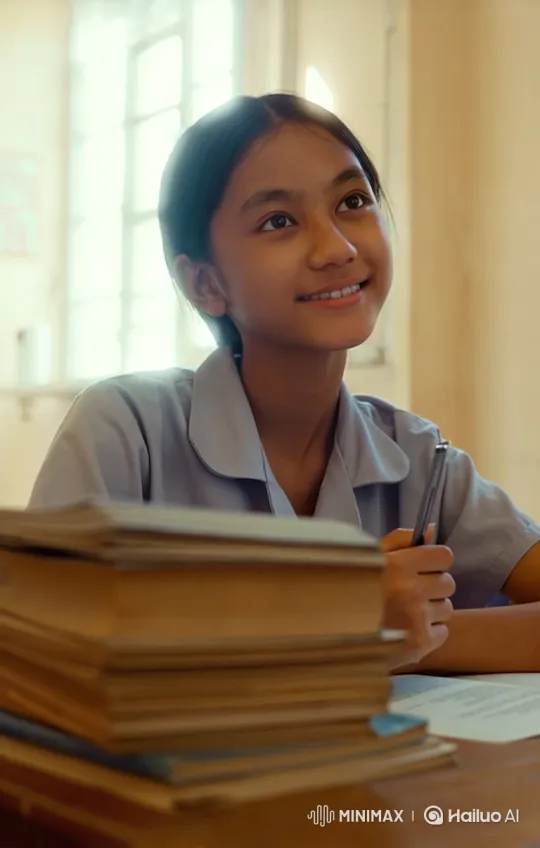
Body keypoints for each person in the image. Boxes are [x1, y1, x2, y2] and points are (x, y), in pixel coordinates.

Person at [29, 93, 540, 674]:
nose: (338, 249)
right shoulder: (125, 430)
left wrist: (406, 639)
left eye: (352, 201)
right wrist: (336, 621)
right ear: (204, 284)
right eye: (279, 221)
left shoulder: (418, 455)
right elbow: (39, 648)